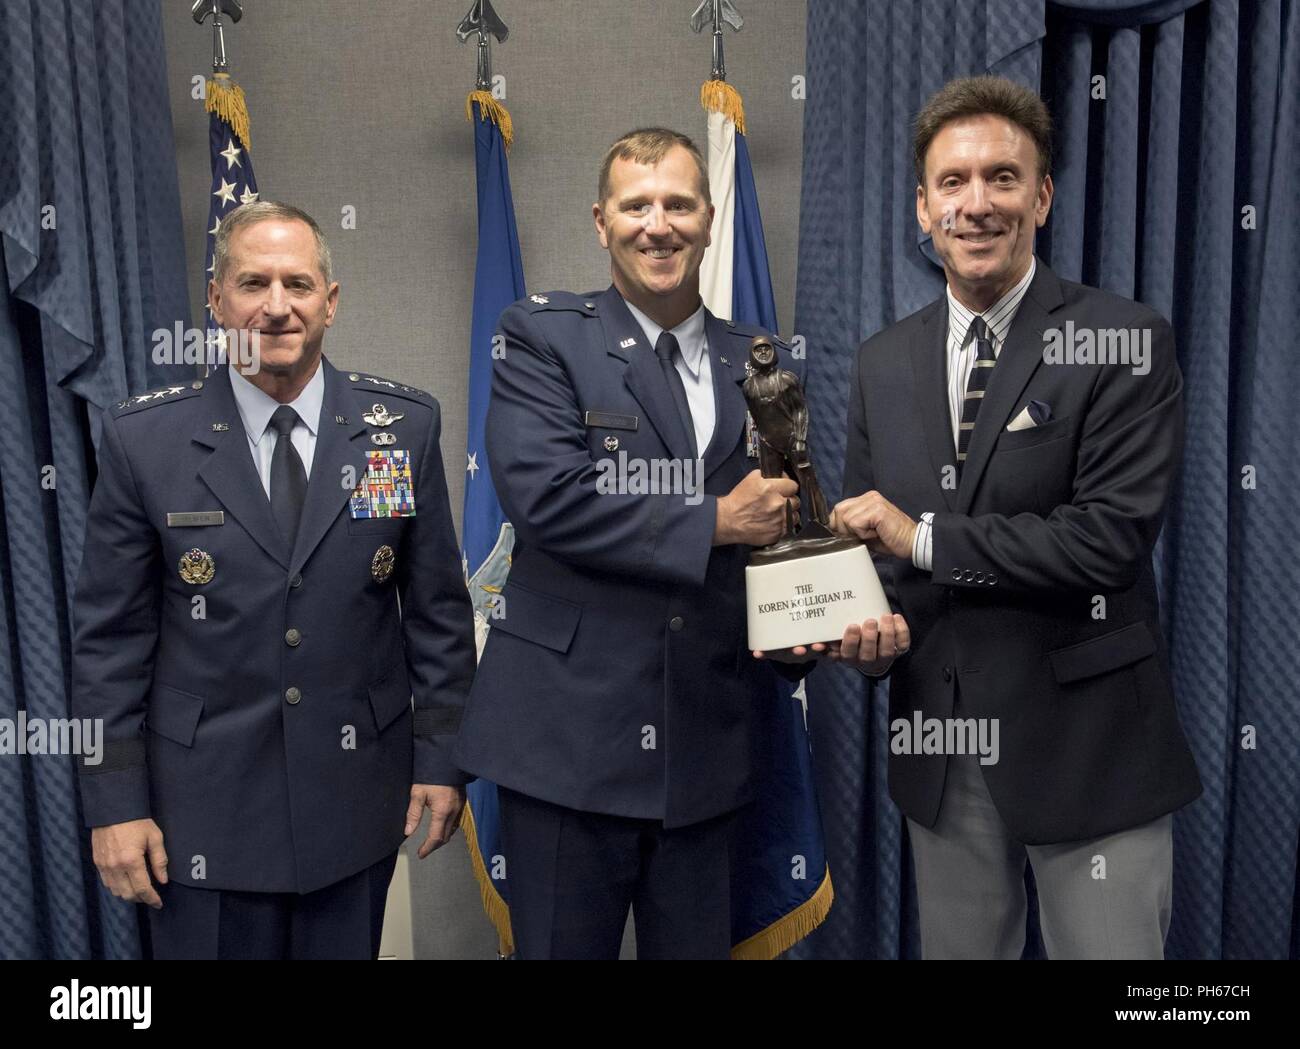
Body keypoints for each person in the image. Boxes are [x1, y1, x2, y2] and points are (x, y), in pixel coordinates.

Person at [829, 75, 1202, 959]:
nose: (977, 202)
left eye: (1002, 177)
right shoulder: (881, 362)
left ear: (1042, 195)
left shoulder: (1121, 340)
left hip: (1091, 754)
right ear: (922, 208)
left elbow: (1106, 540)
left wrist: (921, 538)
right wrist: (860, 629)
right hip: (943, 748)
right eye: (952, 183)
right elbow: (866, 557)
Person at [71, 200, 476, 959]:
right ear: (217, 301)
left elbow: (437, 615)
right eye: (254, 282)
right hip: (200, 814)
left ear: (331, 300)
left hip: (355, 799)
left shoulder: (399, 431)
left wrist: (442, 757)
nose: (277, 305)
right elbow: (109, 645)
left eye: (298, 282)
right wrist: (113, 804)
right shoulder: (145, 439)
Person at [454, 128, 815, 959]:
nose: (659, 225)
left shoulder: (764, 359)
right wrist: (718, 520)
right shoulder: (544, 336)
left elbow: (787, 521)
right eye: (637, 205)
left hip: (705, 741)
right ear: (600, 220)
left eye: (679, 204)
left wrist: (817, 619)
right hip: (565, 751)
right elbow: (551, 500)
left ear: (710, 217)